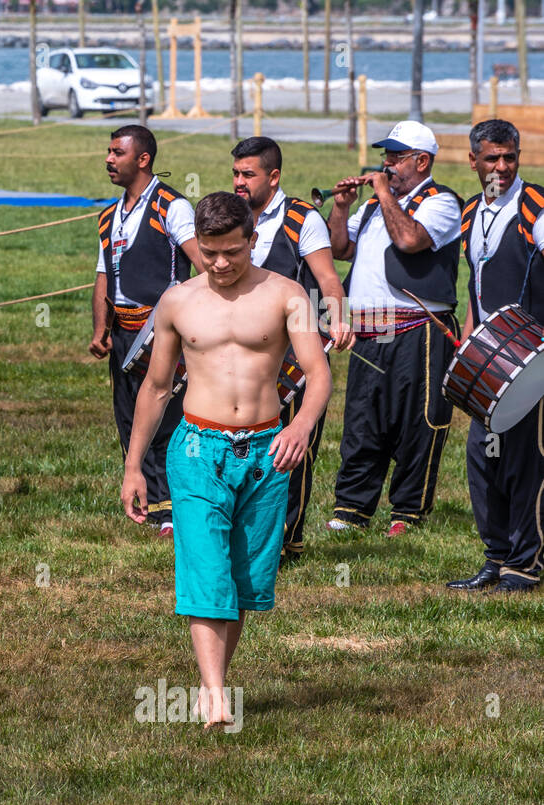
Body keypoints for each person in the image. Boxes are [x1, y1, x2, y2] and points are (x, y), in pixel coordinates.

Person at [120, 192, 331, 730]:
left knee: (244, 577)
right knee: (205, 568)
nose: (219, 263)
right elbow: (157, 385)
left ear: (252, 240)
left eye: (231, 252)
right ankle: (215, 693)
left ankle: (212, 680)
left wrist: (302, 425)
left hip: (267, 449)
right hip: (197, 448)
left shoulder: (288, 295)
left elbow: (318, 371)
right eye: (209, 252)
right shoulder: (178, 301)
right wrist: (133, 467)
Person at [325, 121, 463, 537]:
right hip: (373, 331)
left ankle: (408, 510)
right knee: (364, 420)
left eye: (396, 158)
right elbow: (339, 249)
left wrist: (382, 192)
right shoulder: (374, 206)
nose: (386, 165)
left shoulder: (441, 202)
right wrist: (343, 207)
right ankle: (351, 508)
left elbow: (409, 241)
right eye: (386, 157)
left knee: (416, 421)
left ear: (422, 162)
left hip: (418, 328)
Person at [231, 136, 352, 562]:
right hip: (244, 349)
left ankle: (287, 539)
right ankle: (245, 531)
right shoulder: (234, 214)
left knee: (292, 445)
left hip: (296, 350)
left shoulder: (304, 218)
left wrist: (339, 317)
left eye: (248, 174)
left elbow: (328, 278)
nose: (239, 182)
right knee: (244, 439)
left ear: (274, 176)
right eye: (236, 174)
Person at [89, 125, 204, 536]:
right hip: (122, 333)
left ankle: (173, 510)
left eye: (117, 152)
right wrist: (101, 328)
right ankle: (147, 500)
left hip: (162, 333)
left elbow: (203, 264)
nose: (108, 158)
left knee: (168, 418)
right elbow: (105, 274)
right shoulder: (108, 216)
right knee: (129, 418)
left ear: (143, 159)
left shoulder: (172, 207)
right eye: (108, 151)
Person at [447, 119, 544, 593]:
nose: (501, 167)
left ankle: (527, 564)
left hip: (534, 362)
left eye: (509, 157)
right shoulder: (470, 213)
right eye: (491, 158)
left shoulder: (537, 209)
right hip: (490, 363)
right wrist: (468, 348)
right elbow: (476, 288)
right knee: (485, 460)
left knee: (524, 460)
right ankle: (496, 557)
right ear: (473, 161)